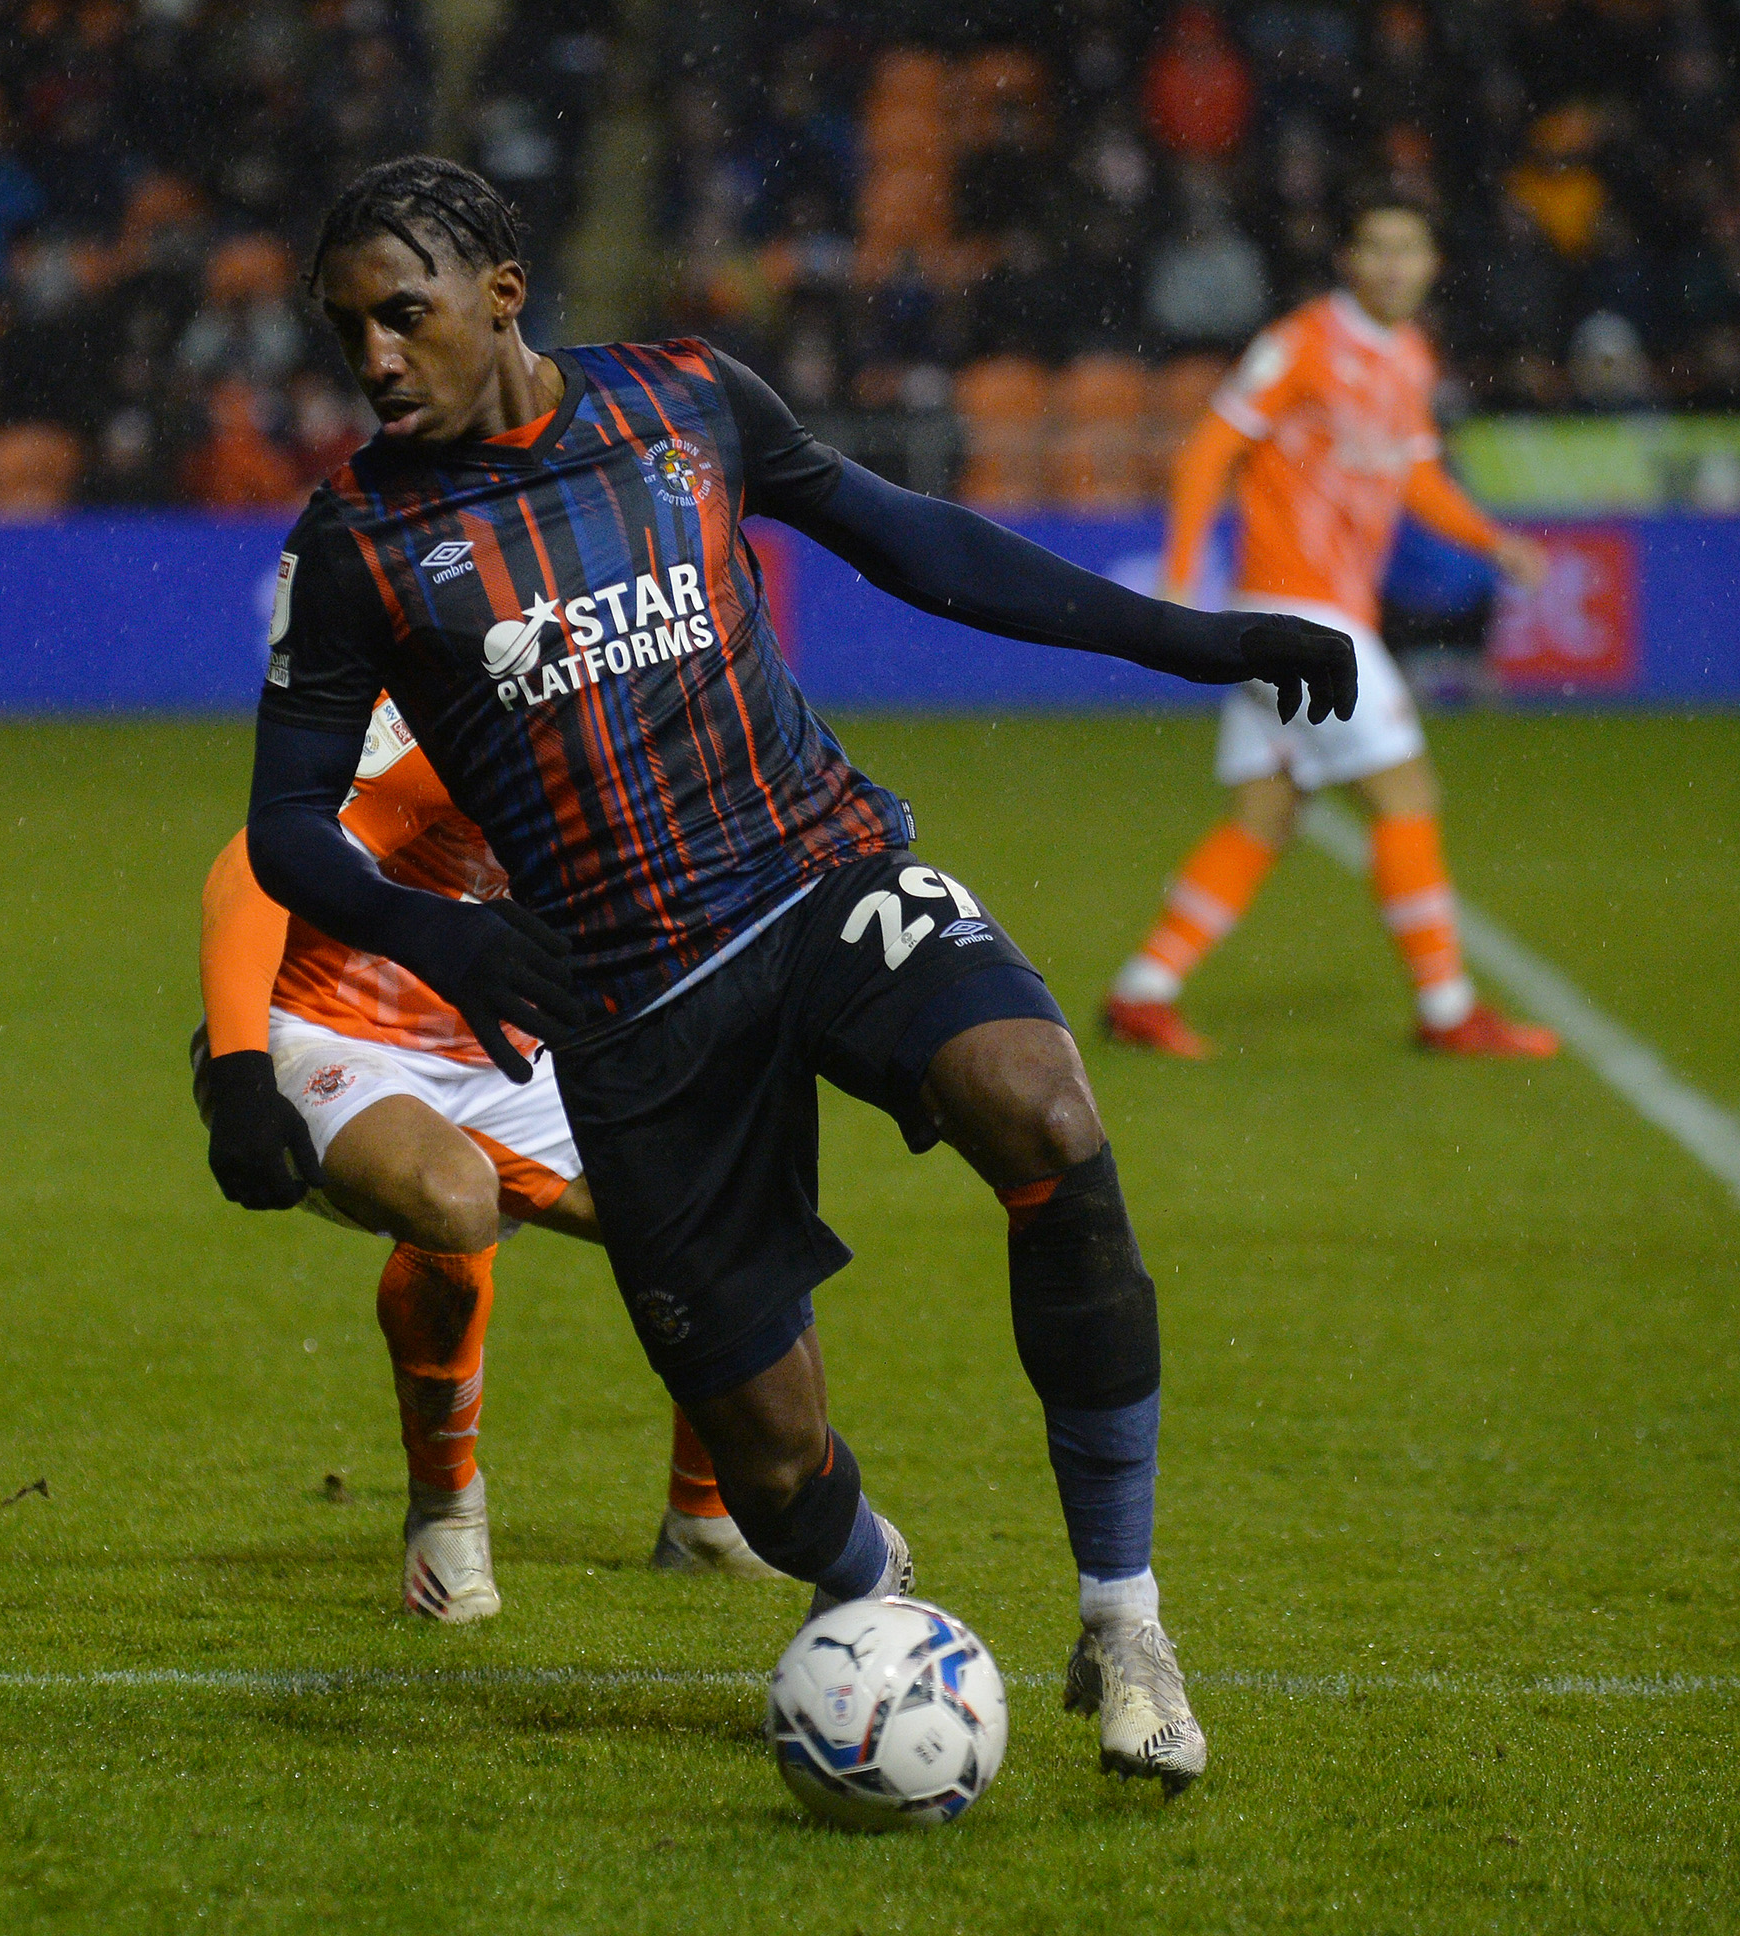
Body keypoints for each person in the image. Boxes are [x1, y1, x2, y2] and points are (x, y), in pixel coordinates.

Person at [243, 157, 1360, 1797]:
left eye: (402, 315)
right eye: (348, 334)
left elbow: (915, 542)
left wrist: (1196, 638)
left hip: (818, 869)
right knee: (770, 1468)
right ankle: (865, 1595)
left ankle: (1124, 1618)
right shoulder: (360, 540)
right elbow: (282, 829)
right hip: (631, 1006)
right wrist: (448, 933)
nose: (376, 359)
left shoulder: (687, 400)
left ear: (501, 291)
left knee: (1041, 1107)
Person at [197, 692, 778, 1620]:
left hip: (508, 1044)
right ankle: (445, 1510)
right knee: (454, 1196)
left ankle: (708, 1519)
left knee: (734, 1198)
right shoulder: (458, 712)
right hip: (326, 1031)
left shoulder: (667, 726)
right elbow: (257, 866)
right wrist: (238, 1076)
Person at [1105, 190, 1560, 1060]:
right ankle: (1447, 1009)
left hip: (1320, 609)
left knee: (1267, 810)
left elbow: (1415, 475)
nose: (1394, 265)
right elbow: (1210, 450)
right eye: (1377, 247)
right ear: (1349, 260)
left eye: (1410, 250)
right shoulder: (1302, 342)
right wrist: (1177, 576)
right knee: (1404, 791)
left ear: (1431, 267)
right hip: (1296, 606)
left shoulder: (1410, 356)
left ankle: (1143, 992)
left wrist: (1491, 539)